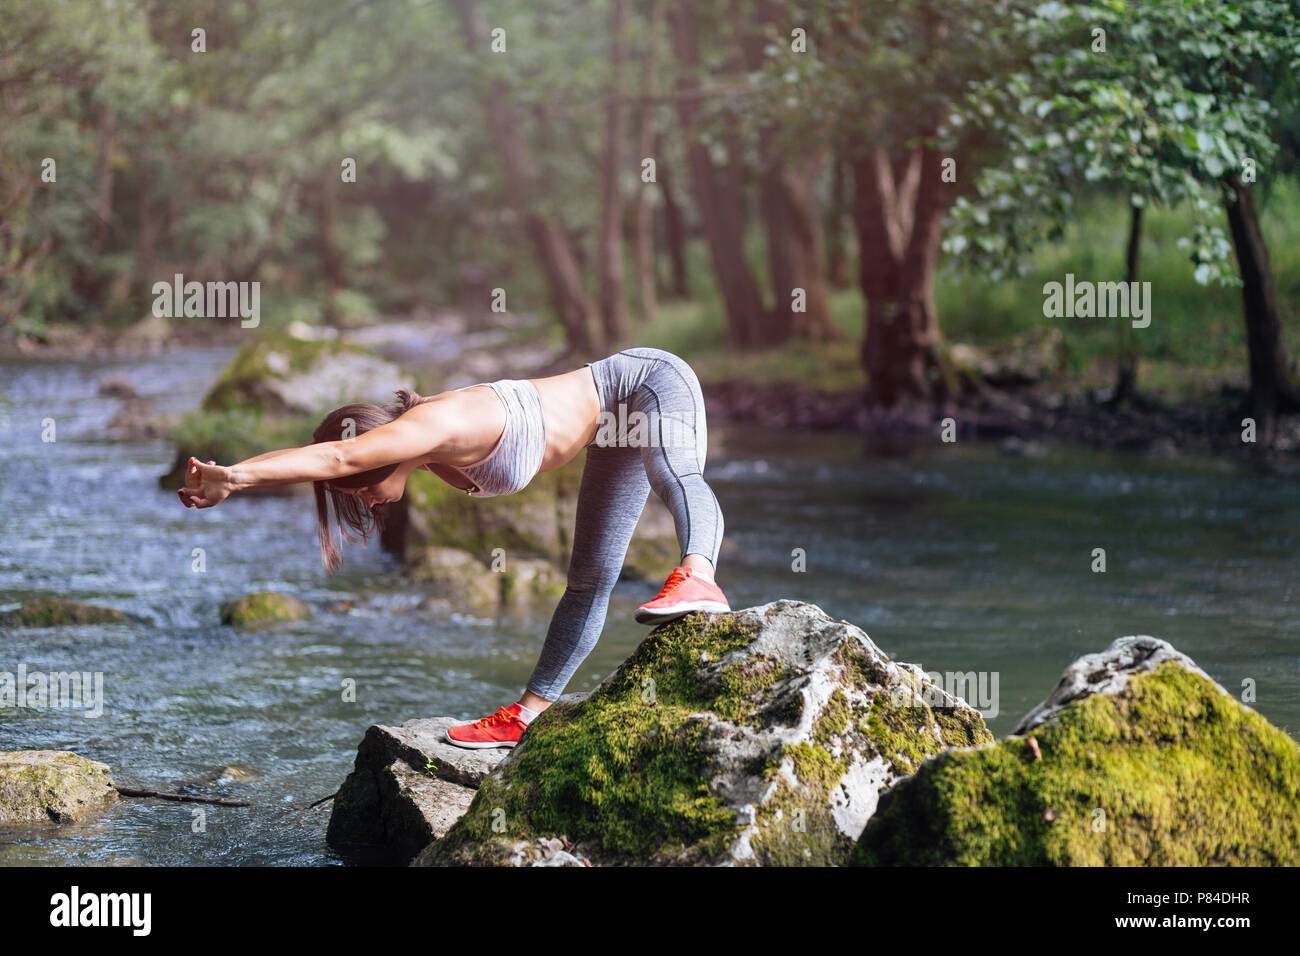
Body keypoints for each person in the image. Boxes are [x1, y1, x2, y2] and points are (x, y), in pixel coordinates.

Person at [178, 346, 730, 748]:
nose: (367, 501)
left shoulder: (424, 428)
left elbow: (337, 459)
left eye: (361, 487)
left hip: (648, 382)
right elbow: (338, 463)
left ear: (373, 452)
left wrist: (236, 478)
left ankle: (697, 574)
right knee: (589, 578)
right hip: (609, 428)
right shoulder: (422, 445)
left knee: (673, 471)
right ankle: (527, 715)